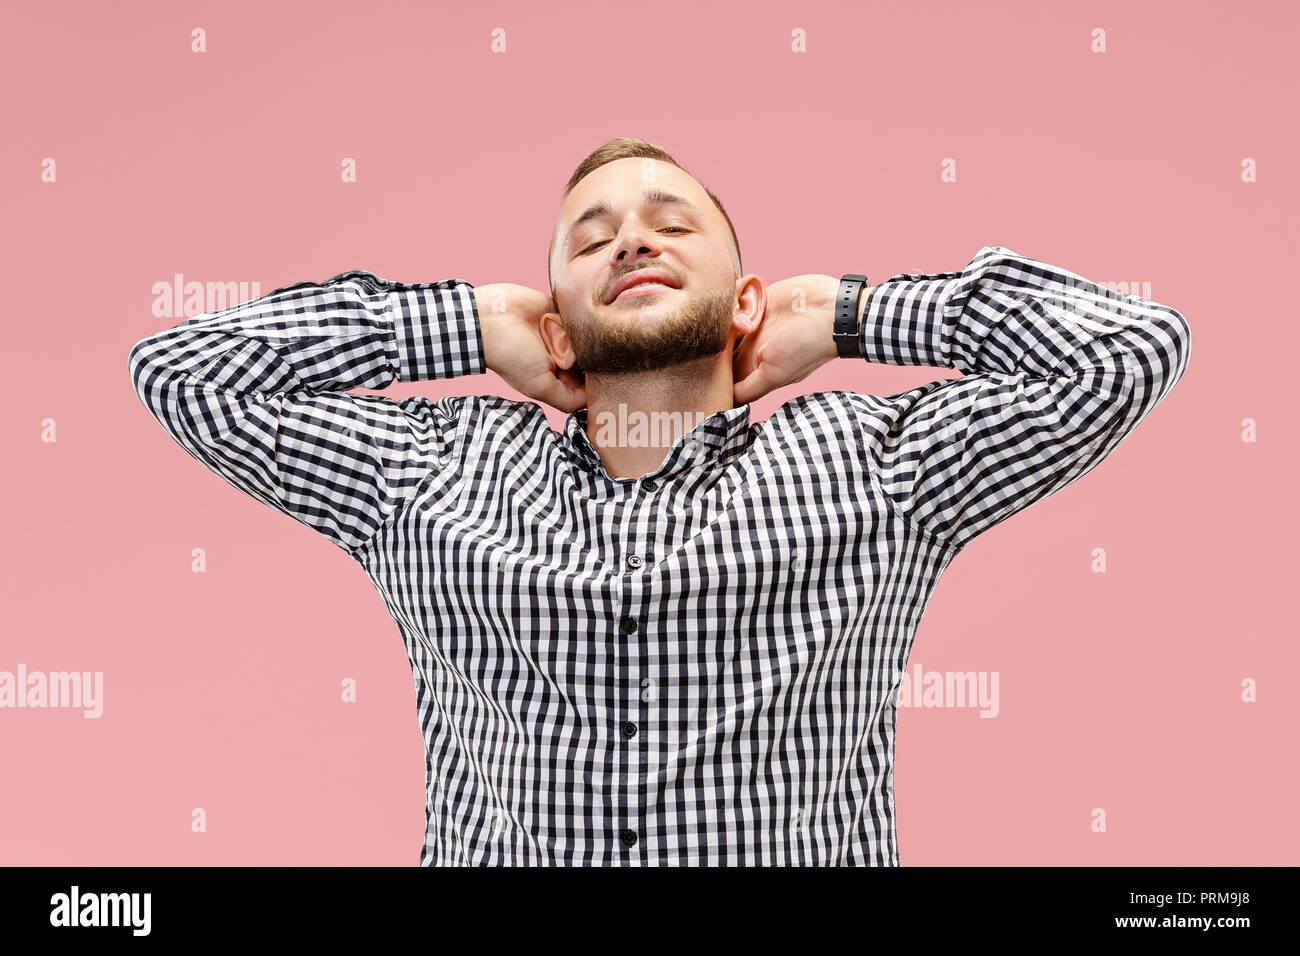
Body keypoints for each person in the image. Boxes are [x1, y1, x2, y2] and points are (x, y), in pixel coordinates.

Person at [127, 137, 1191, 865]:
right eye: (590, 237)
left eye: (670, 222)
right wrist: (455, 321)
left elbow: (1128, 348)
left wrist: (852, 312)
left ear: (745, 301)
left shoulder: (878, 464)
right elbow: (182, 372)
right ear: (553, 326)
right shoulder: (434, 468)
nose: (631, 239)